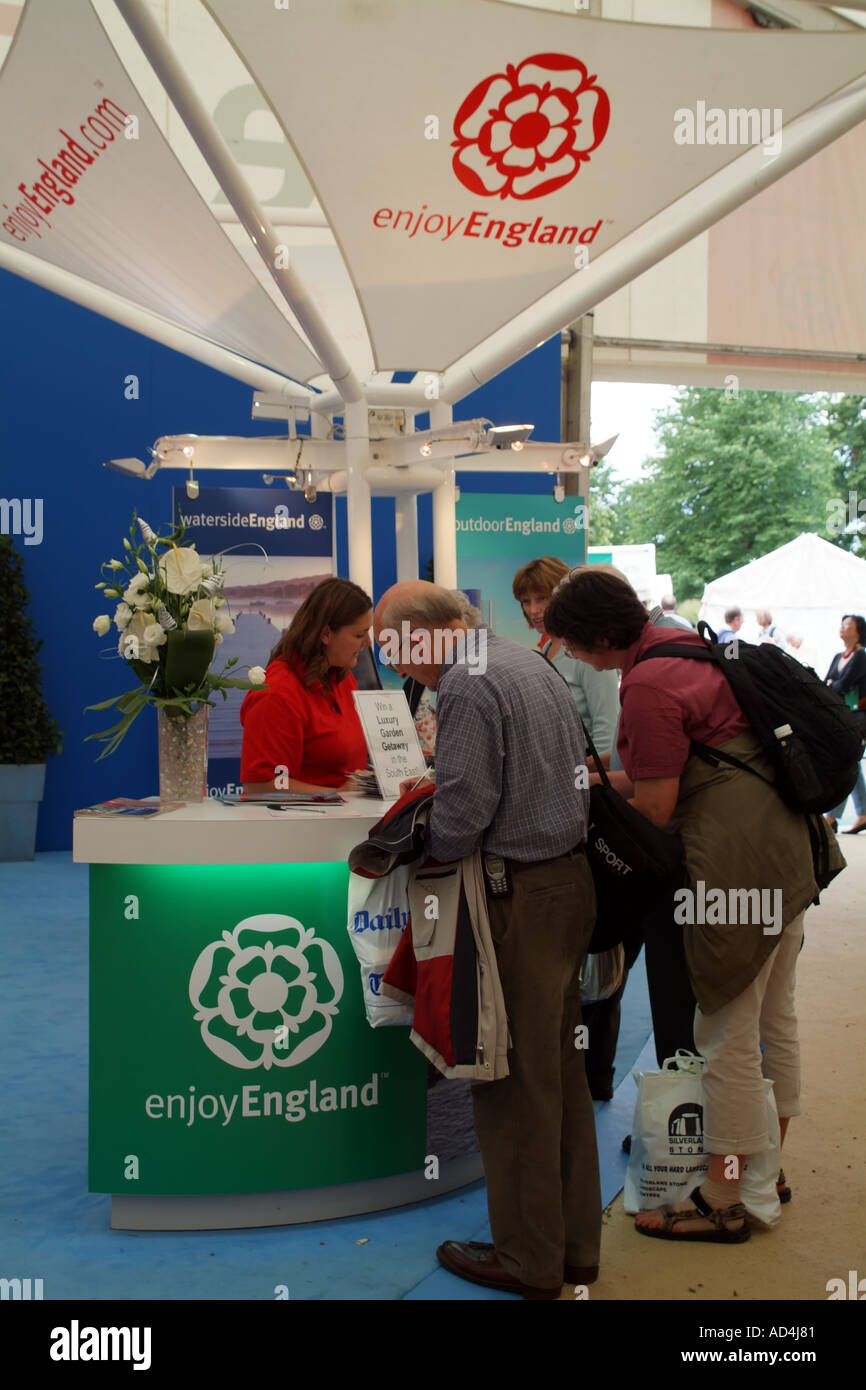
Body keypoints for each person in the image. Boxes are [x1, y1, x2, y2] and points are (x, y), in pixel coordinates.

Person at [545, 567, 817, 1243]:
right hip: (787, 852)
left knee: (722, 1033)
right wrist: (584, 778)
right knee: (772, 1018)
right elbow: (670, 767)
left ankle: (724, 1197)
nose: (573, 656)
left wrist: (589, 818)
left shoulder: (645, 681)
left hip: (731, 868)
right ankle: (767, 1173)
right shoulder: (680, 647)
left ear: (597, 635)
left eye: (573, 643)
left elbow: (658, 808)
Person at [375, 580, 600, 1298]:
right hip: (565, 885)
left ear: (426, 632)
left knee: (509, 1082)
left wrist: (414, 835)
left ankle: (529, 1260)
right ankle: (571, 1249)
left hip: (517, 900)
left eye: (395, 646)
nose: (396, 665)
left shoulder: (467, 687)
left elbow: (465, 812)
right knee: (557, 1074)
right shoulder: (523, 661)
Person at [240, 577, 372, 792]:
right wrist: (339, 795)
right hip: (295, 823)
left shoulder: (343, 678)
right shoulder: (277, 694)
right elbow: (262, 784)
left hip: (343, 820)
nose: (367, 642)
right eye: (359, 634)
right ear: (326, 634)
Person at [512, 556, 620, 755]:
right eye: (526, 601)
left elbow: (607, 723)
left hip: (588, 769)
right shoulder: (547, 651)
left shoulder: (587, 651)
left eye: (542, 598)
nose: (533, 610)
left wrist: (597, 777)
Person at [824, 614, 866, 835]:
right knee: (852, 763)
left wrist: (832, 687)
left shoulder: (860, 657)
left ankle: (832, 816)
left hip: (858, 717)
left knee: (846, 761)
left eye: (848, 624)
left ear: (859, 630)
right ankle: (863, 813)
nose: (843, 627)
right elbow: (825, 684)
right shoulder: (838, 656)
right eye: (842, 623)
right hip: (841, 716)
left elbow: (840, 684)